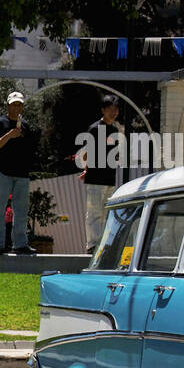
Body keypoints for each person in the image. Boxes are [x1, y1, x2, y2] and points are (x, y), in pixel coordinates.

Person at [0, 90, 37, 255]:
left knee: (21, 211)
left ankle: (20, 244)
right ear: (8, 105)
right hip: (3, 173)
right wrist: (9, 136)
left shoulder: (26, 126)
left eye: (20, 104)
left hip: (22, 175)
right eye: (14, 104)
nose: (17, 107)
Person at [73, 95, 125, 252]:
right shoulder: (95, 129)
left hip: (109, 177)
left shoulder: (115, 130)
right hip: (96, 178)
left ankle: (103, 244)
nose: (113, 112)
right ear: (103, 110)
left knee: (106, 213)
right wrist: (87, 169)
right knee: (94, 212)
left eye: (115, 109)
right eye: (110, 109)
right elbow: (86, 152)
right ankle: (93, 245)